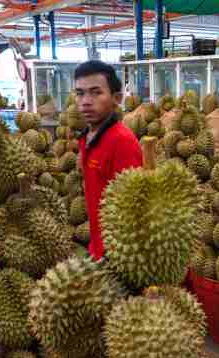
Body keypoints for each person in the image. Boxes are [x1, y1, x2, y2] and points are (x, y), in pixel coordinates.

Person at [74, 60, 143, 260]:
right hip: (97, 246)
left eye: (96, 92)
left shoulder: (122, 141)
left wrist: (116, 257)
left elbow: (134, 208)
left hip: (118, 254)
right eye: (80, 93)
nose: (86, 100)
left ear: (116, 98)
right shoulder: (86, 137)